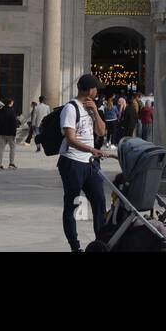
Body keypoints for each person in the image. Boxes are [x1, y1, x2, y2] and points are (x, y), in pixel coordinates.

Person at [58, 73, 109, 252]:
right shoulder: (70, 109)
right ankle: (75, 246)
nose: (98, 92)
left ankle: (101, 243)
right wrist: (91, 150)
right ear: (90, 89)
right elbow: (70, 139)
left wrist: (95, 111)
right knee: (71, 204)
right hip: (72, 162)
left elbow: (101, 133)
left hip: (90, 164)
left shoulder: (92, 107)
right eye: (96, 89)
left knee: (99, 202)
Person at [0, 98, 21, 170]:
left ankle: (0, 165)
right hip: (10, 133)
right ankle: (11, 163)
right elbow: (14, 123)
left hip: (1, 132)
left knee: (1, 149)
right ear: (10, 103)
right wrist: (14, 133)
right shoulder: (12, 111)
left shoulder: (0, 111)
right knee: (12, 148)